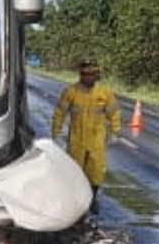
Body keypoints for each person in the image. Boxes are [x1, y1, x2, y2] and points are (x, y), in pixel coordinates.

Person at [51, 58, 122, 215]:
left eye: (92, 74)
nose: (88, 77)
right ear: (80, 75)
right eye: (85, 74)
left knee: (96, 172)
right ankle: (75, 202)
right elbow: (60, 112)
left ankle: (92, 199)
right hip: (77, 139)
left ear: (97, 75)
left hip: (97, 140)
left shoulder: (105, 93)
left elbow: (114, 113)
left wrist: (116, 131)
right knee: (75, 171)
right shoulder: (71, 92)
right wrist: (56, 131)